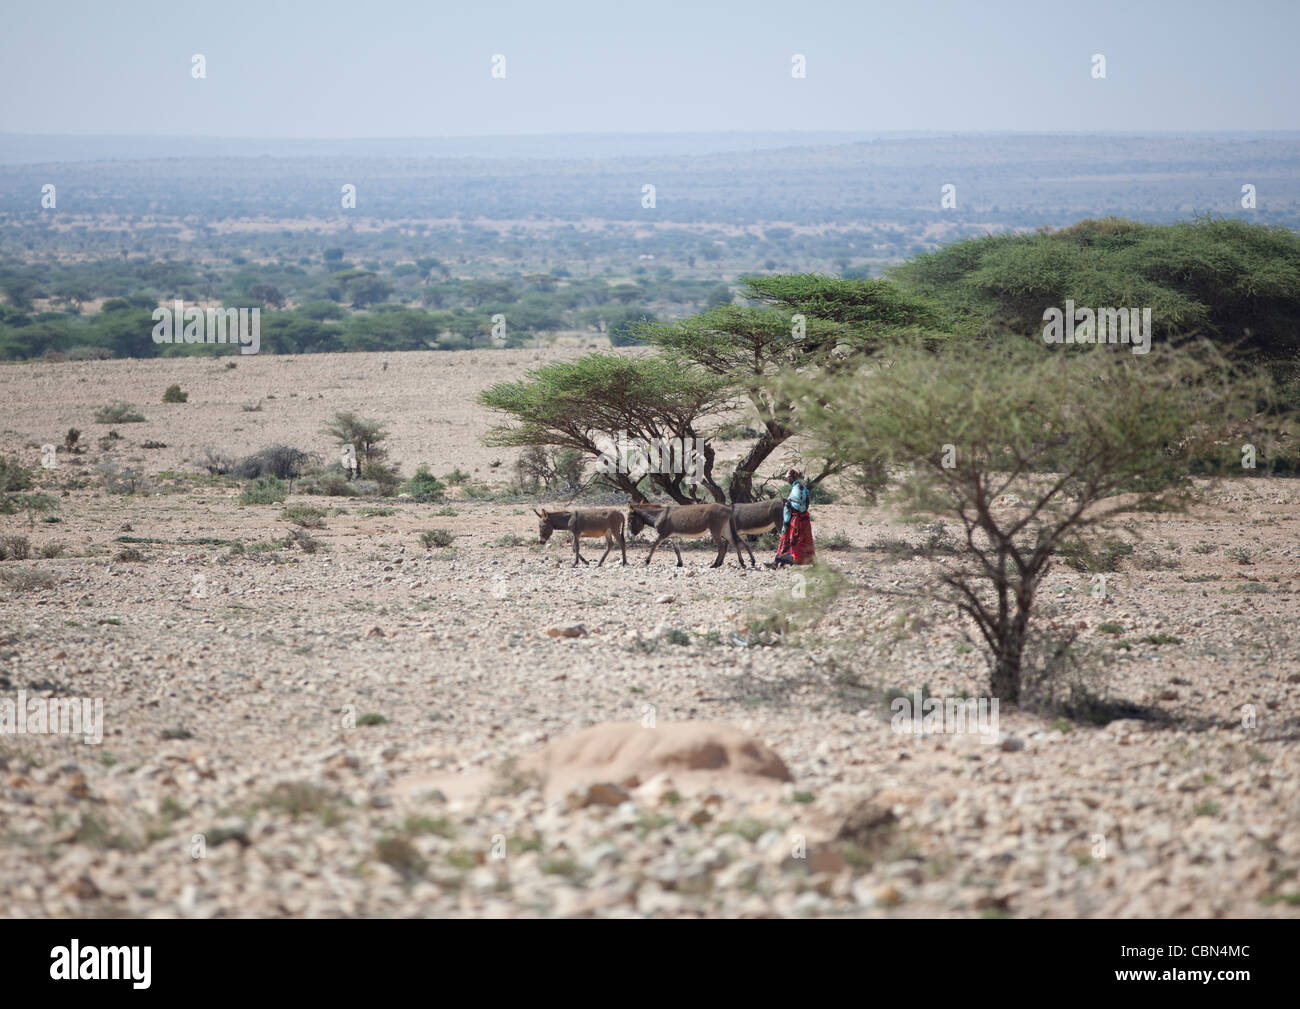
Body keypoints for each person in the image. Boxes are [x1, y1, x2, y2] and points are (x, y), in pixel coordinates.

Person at [772, 468, 815, 566]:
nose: (787, 480)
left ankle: (777, 563)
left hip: (796, 520)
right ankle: (811, 562)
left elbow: (797, 505)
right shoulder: (803, 487)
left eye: (787, 478)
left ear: (791, 478)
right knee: (805, 542)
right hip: (804, 519)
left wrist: (787, 503)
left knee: (786, 540)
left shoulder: (796, 488)